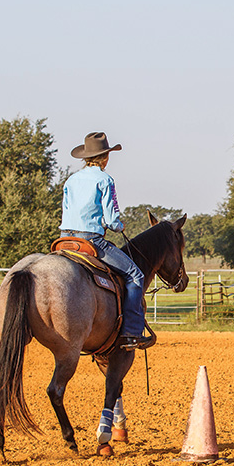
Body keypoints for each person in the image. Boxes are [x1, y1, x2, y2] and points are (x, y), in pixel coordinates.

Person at [59, 132, 152, 351]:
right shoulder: (105, 179)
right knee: (135, 274)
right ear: (105, 157)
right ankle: (132, 333)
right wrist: (120, 226)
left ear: (86, 156)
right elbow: (111, 220)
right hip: (90, 240)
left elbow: (66, 210)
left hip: (64, 239)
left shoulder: (71, 180)